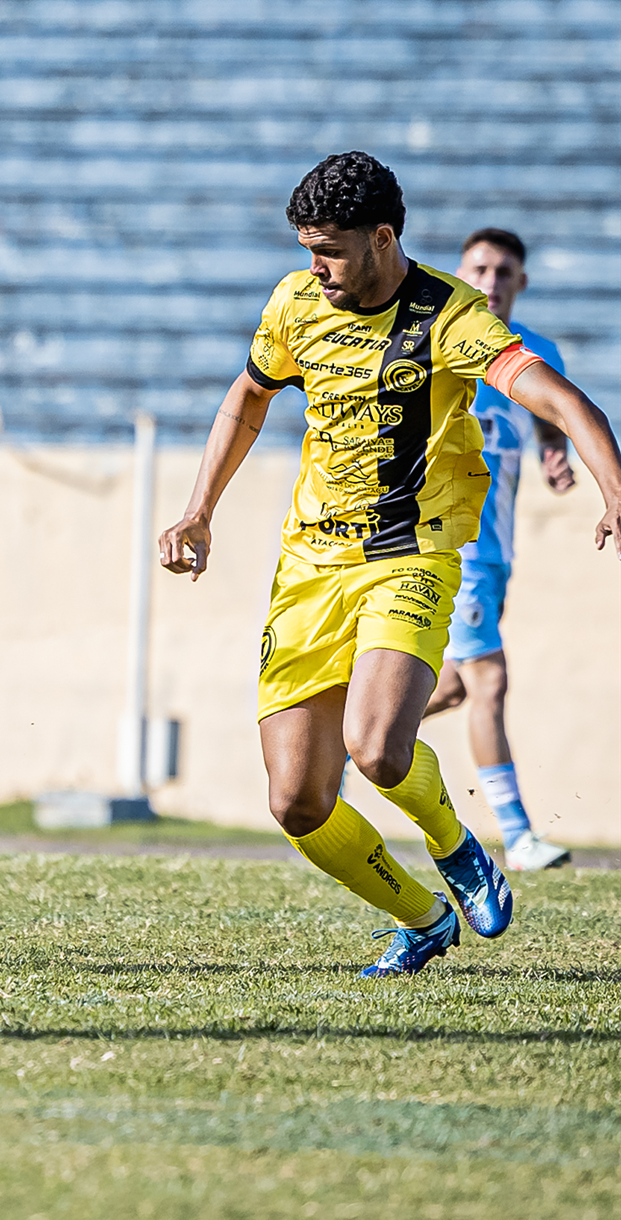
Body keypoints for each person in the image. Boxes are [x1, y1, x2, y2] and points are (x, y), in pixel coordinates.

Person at [160, 153, 621, 976]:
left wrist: (612, 487)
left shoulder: (451, 316)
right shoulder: (296, 301)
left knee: (376, 748)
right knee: (296, 801)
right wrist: (199, 509)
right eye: (306, 249)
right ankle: (421, 919)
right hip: (309, 564)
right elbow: (248, 396)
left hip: (411, 555)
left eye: (329, 250)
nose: (315, 269)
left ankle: (457, 845)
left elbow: (562, 399)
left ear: (381, 239)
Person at [421, 229, 574, 870]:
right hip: (459, 547)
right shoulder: (439, 342)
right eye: (479, 267)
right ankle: (517, 837)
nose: (491, 279)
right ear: (460, 272)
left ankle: (343, 744)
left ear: (521, 283)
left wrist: (553, 452)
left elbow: (549, 416)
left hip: (498, 552)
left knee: (452, 686)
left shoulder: (536, 353)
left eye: (504, 271)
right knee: (489, 681)